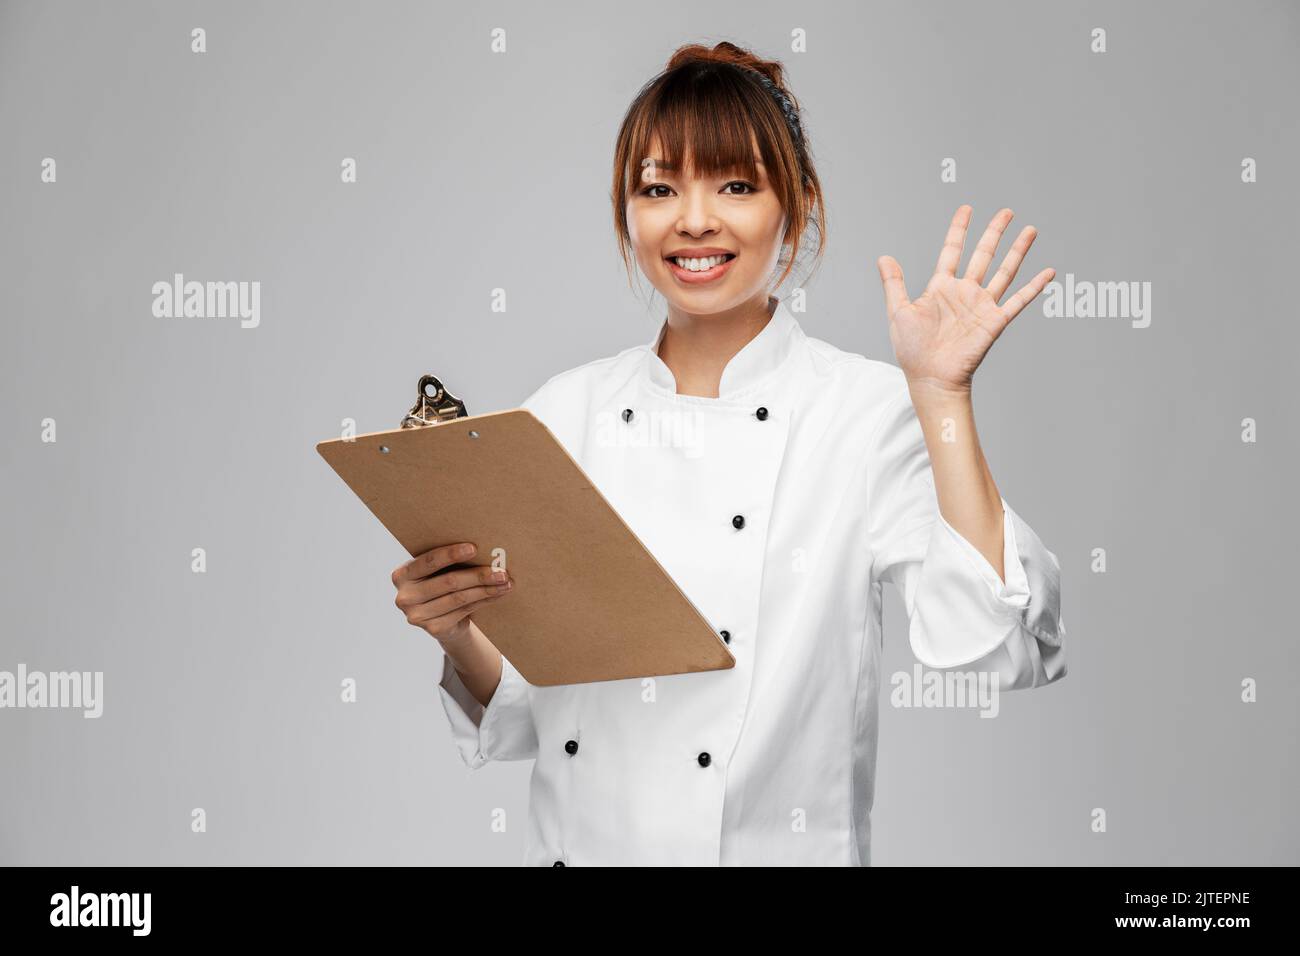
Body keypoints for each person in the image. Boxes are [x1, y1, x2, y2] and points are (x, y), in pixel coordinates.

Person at [390, 41, 1067, 866]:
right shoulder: (564, 413)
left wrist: (943, 399)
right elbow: (535, 717)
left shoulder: (860, 414)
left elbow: (990, 650)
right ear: (626, 211)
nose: (694, 220)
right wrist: (457, 627)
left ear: (799, 205)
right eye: (658, 188)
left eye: (735, 185)